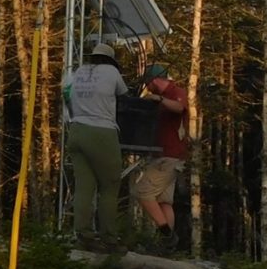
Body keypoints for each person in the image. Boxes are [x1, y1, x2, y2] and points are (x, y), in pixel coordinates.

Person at [61, 41, 126, 245]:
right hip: (101, 131)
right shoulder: (112, 73)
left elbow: (68, 95)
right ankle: (108, 237)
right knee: (109, 185)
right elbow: (124, 96)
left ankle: (83, 234)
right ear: (110, 60)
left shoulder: (80, 71)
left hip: (77, 130)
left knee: (84, 187)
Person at [131, 62, 188, 248]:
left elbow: (180, 108)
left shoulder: (175, 92)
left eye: (148, 83)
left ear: (154, 80)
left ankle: (166, 234)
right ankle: (167, 246)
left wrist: (158, 99)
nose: (147, 87)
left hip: (169, 156)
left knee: (142, 192)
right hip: (163, 154)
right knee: (164, 200)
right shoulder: (162, 97)